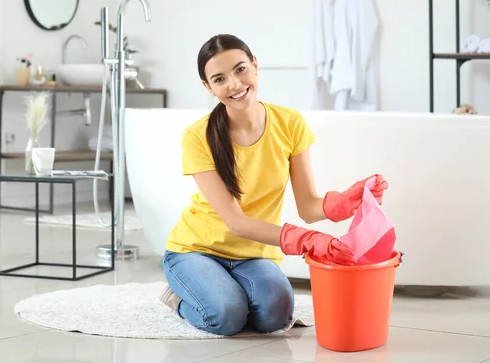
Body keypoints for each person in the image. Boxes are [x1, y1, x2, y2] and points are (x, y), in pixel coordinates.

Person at [158, 34, 388, 336]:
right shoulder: (197, 136)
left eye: (240, 69)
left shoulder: (289, 123)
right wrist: (306, 240)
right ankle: (177, 298)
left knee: (276, 316)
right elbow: (236, 222)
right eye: (220, 79)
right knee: (226, 316)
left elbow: (308, 206)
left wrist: (342, 202)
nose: (235, 84)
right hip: (196, 251)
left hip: (253, 254)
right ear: (208, 88)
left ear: (255, 66)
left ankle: (227, 292)